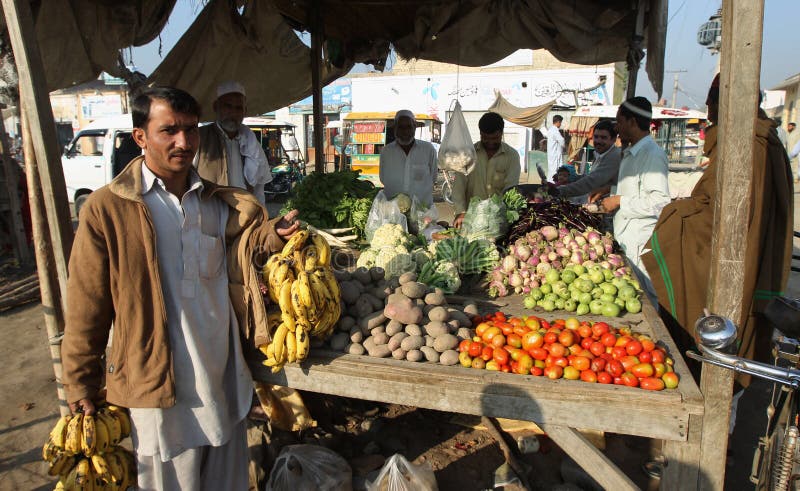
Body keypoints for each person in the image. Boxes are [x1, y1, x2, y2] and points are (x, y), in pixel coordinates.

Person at [61, 86, 301, 490]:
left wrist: (273, 235)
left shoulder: (217, 201)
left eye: (191, 130)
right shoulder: (107, 210)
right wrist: (80, 380)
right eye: (168, 130)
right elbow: (88, 303)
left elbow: (243, 249)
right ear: (141, 137)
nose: (184, 142)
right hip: (159, 387)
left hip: (221, 378)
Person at [642, 74, 793, 376]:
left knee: (723, 350)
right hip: (743, 255)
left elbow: (730, 215)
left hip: (738, 265)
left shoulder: (751, 147)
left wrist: (678, 211)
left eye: (713, 98)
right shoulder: (753, 141)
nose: (708, 106)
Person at [589, 97, 670, 297]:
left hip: (640, 239)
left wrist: (618, 201)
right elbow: (635, 187)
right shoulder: (631, 151)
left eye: (620, 121)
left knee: (646, 295)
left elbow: (659, 202)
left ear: (632, 122)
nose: (617, 127)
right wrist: (611, 189)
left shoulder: (651, 154)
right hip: (627, 234)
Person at [195, 81, 271, 206]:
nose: (233, 113)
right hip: (208, 216)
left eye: (238, 108)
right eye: (227, 106)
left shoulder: (250, 143)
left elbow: (258, 189)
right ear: (216, 107)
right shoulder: (199, 137)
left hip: (243, 216)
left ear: (244, 111)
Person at [452, 112, 520, 227]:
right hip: (470, 219)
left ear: (502, 133)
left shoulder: (512, 155)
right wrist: (461, 212)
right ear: (480, 133)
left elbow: (510, 189)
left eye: (495, 138)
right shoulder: (467, 154)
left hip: (498, 221)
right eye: (485, 138)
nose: (490, 142)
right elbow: (458, 186)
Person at [379, 109, 438, 206]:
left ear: (414, 127)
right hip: (394, 211)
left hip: (422, 210)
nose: (405, 131)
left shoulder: (428, 149)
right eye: (401, 127)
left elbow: (433, 177)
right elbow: (383, 179)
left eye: (408, 127)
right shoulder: (386, 152)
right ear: (395, 128)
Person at [556, 120, 622, 199]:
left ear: (613, 139)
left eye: (603, 138)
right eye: (596, 137)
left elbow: (591, 181)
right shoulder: (599, 153)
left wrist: (559, 191)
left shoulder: (614, 155)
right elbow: (590, 176)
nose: (598, 141)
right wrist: (570, 177)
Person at [546, 115, 565, 182]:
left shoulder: (550, 130)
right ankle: (553, 187)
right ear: (558, 122)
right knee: (554, 172)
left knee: (551, 171)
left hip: (552, 154)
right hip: (555, 155)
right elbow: (562, 141)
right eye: (560, 123)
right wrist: (565, 147)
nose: (560, 124)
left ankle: (549, 186)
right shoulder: (555, 131)